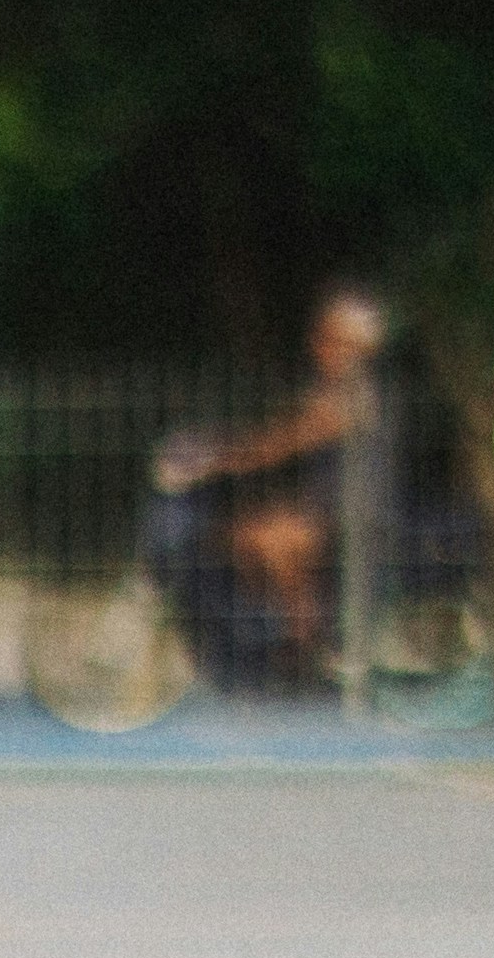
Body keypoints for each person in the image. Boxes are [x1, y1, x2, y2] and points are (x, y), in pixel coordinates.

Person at [153, 283, 390, 679]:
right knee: (240, 533)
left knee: (257, 538)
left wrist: (219, 460)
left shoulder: (352, 395)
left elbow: (284, 440)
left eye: (336, 341)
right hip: (328, 508)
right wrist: (216, 443)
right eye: (323, 337)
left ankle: (310, 643)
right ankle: (283, 636)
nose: (322, 347)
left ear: (361, 349)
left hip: (350, 516)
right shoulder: (331, 390)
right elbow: (276, 426)